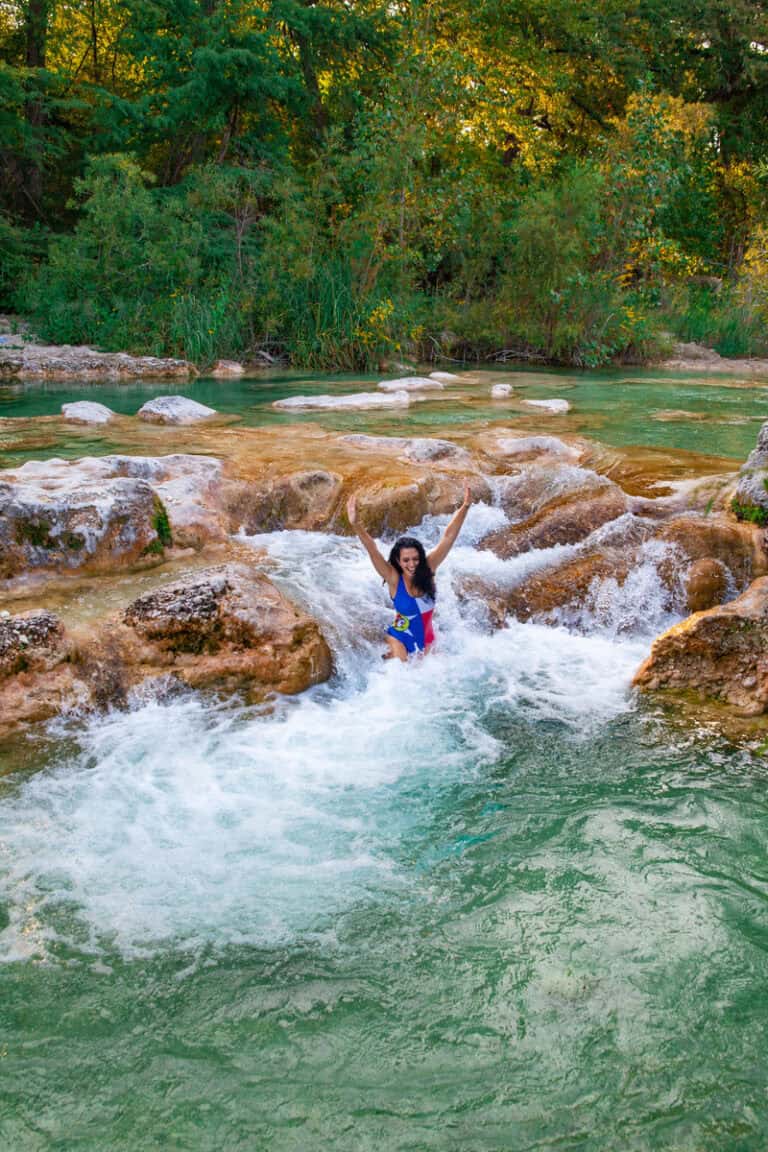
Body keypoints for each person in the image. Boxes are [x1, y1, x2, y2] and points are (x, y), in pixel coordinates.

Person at [347, 483, 473, 661]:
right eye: (406, 560)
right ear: (398, 561)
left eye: (415, 558)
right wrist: (356, 525)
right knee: (404, 671)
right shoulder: (393, 578)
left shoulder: (429, 568)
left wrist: (465, 507)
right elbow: (372, 549)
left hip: (427, 640)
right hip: (400, 638)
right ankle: (391, 651)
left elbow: (448, 537)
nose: (412, 564)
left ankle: (389, 655)